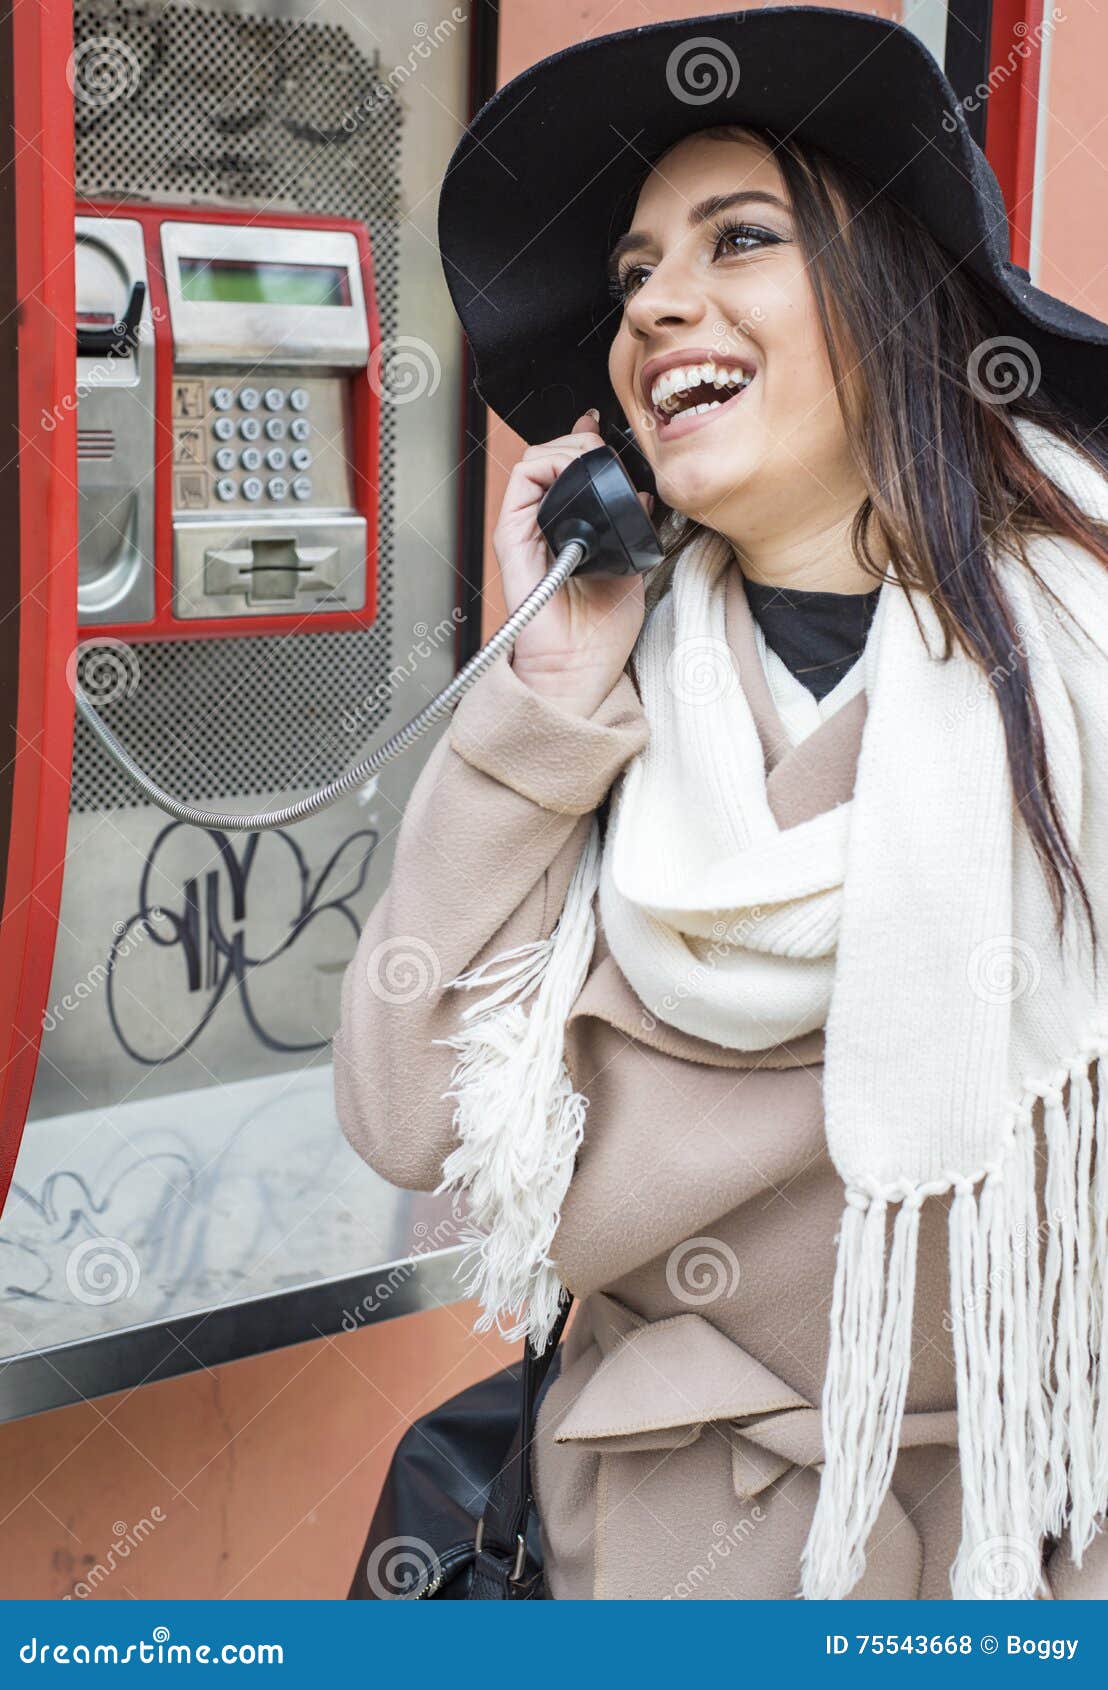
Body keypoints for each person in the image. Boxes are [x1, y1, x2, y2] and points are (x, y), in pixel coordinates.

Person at [333, 8, 1108, 1600]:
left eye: (736, 239)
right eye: (631, 276)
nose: (658, 306)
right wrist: (539, 707)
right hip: (677, 1545)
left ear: (890, 295)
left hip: (1025, 1526)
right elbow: (405, 1115)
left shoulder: (1083, 661)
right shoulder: (593, 702)